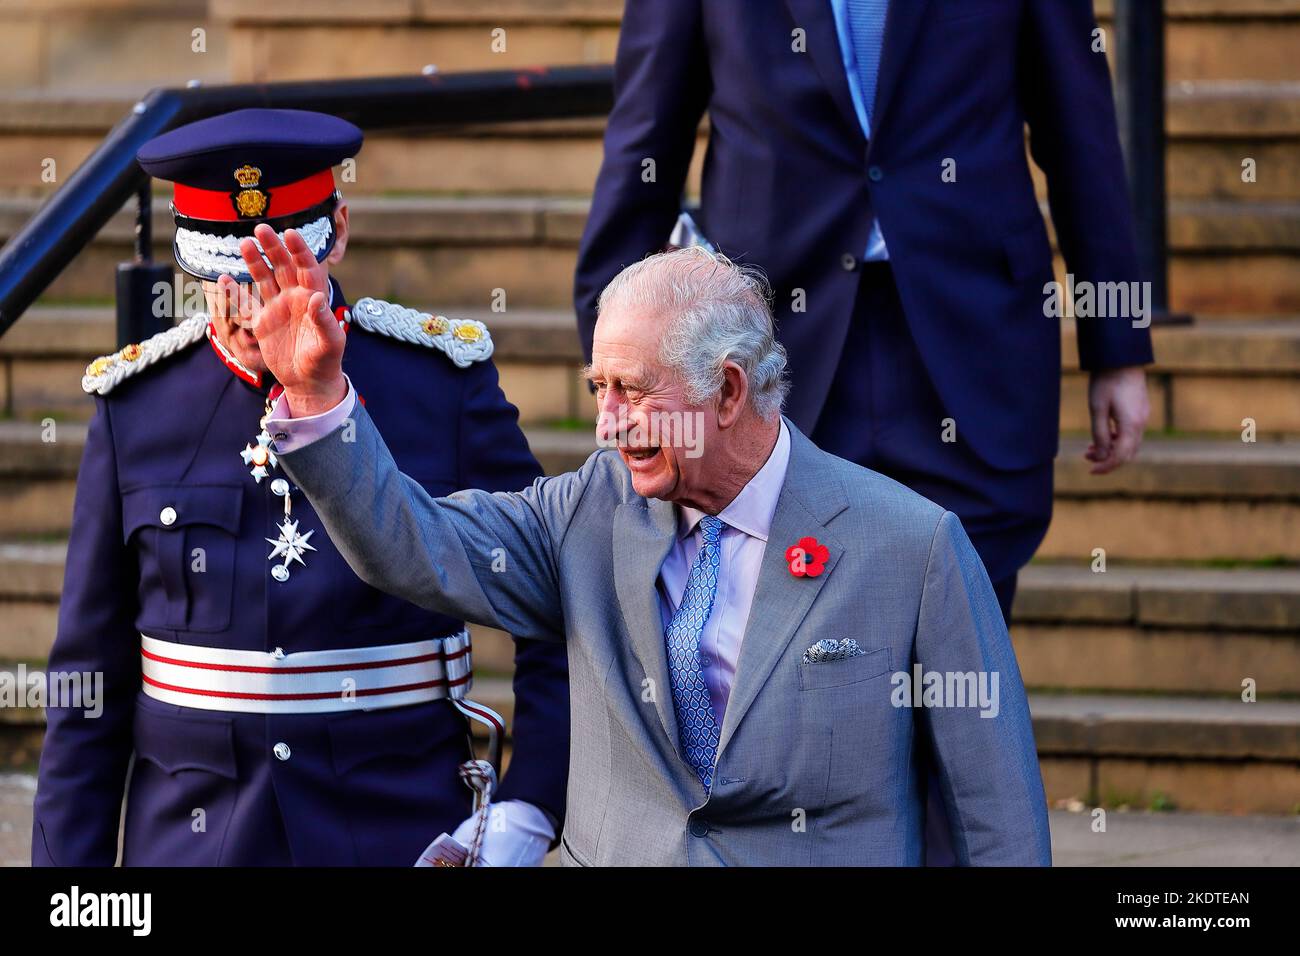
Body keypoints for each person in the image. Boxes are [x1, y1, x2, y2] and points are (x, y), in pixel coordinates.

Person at [249, 231, 1051, 866]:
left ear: (728, 391)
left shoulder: (912, 545)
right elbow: (414, 547)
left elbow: (998, 815)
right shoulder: (586, 512)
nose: (607, 422)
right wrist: (321, 404)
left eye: (632, 389)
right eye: (600, 387)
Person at [31, 108, 569, 867]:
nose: (257, 305)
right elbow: (89, 682)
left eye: (280, 272)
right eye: (229, 280)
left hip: (401, 831)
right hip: (193, 839)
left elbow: (550, 596)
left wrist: (527, 807)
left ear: (338, 232)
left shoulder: (438, 385)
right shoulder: (136, 405)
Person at [574, 0, 1154, 624]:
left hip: (974, 345)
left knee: (962, 643)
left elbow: (1079, 133)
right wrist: (619, 373)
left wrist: (1117, 344)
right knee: (780, 650)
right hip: (770, 351)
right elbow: (645, 145)